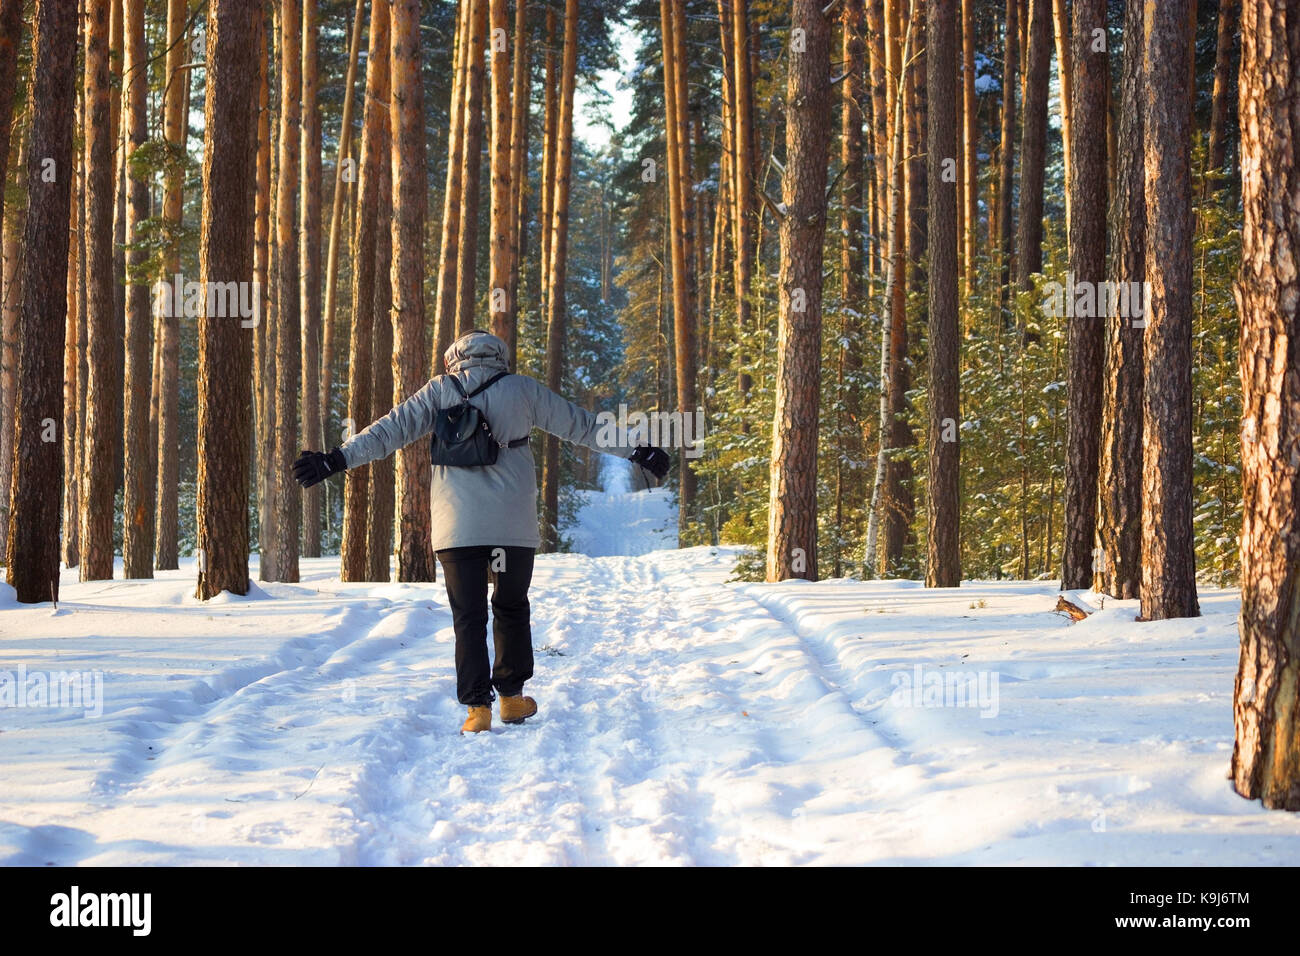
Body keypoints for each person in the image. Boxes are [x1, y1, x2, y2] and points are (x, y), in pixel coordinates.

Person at [292, 330, 670, 734]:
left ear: (454, 359)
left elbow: (388, 432)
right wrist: (638, 449)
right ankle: (510, 698)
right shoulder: (522, 389)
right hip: (511, 524)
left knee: (467, 616)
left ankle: (477, 710)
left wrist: (335, 459)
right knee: (510, 606)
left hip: (458, 527)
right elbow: (582, 426)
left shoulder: (438, 391)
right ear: (499, 357)